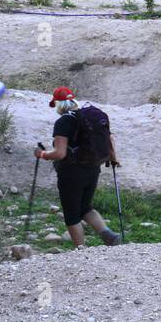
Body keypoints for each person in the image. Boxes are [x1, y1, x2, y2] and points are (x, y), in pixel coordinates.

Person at [34, 88, 122, 247]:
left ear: (58, 105)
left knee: (71, 215)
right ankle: (108, 234)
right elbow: (110, 138)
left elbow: (60, 154)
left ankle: (82, 252)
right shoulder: (89, 118)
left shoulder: (64, 121)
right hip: (93, 168)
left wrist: (42, 154)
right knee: (85, 207)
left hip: (71, 173)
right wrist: (114, 159)